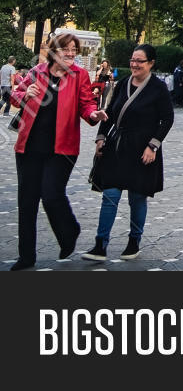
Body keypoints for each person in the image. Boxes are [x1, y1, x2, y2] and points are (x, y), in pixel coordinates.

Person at [8, 31, 108, 270]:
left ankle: (69, 232)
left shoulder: (79, 75)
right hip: (29, 147)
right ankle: (26, 256)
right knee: (27, 201)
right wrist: (24, 95)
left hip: (62, 149)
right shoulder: (37, 72)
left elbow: (86, 103)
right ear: (54, 52)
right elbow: (14, 95)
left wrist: (93, 114)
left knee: (51, 194)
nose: (72, 54)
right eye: (66, 49)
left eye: (74, 50)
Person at [82, 43, 173, 263]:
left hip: (143, 148)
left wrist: (153, 145)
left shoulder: (158, 88)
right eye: (132, 60)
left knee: (137, 197)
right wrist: (101, 137)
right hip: (118, 145)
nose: (134, 64)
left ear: (150, 63)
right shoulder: (123, 83)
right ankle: (100, 244)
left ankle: (134, 241)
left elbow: (167, 119)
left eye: (139, 61)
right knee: (110, 195)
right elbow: (110, 114)